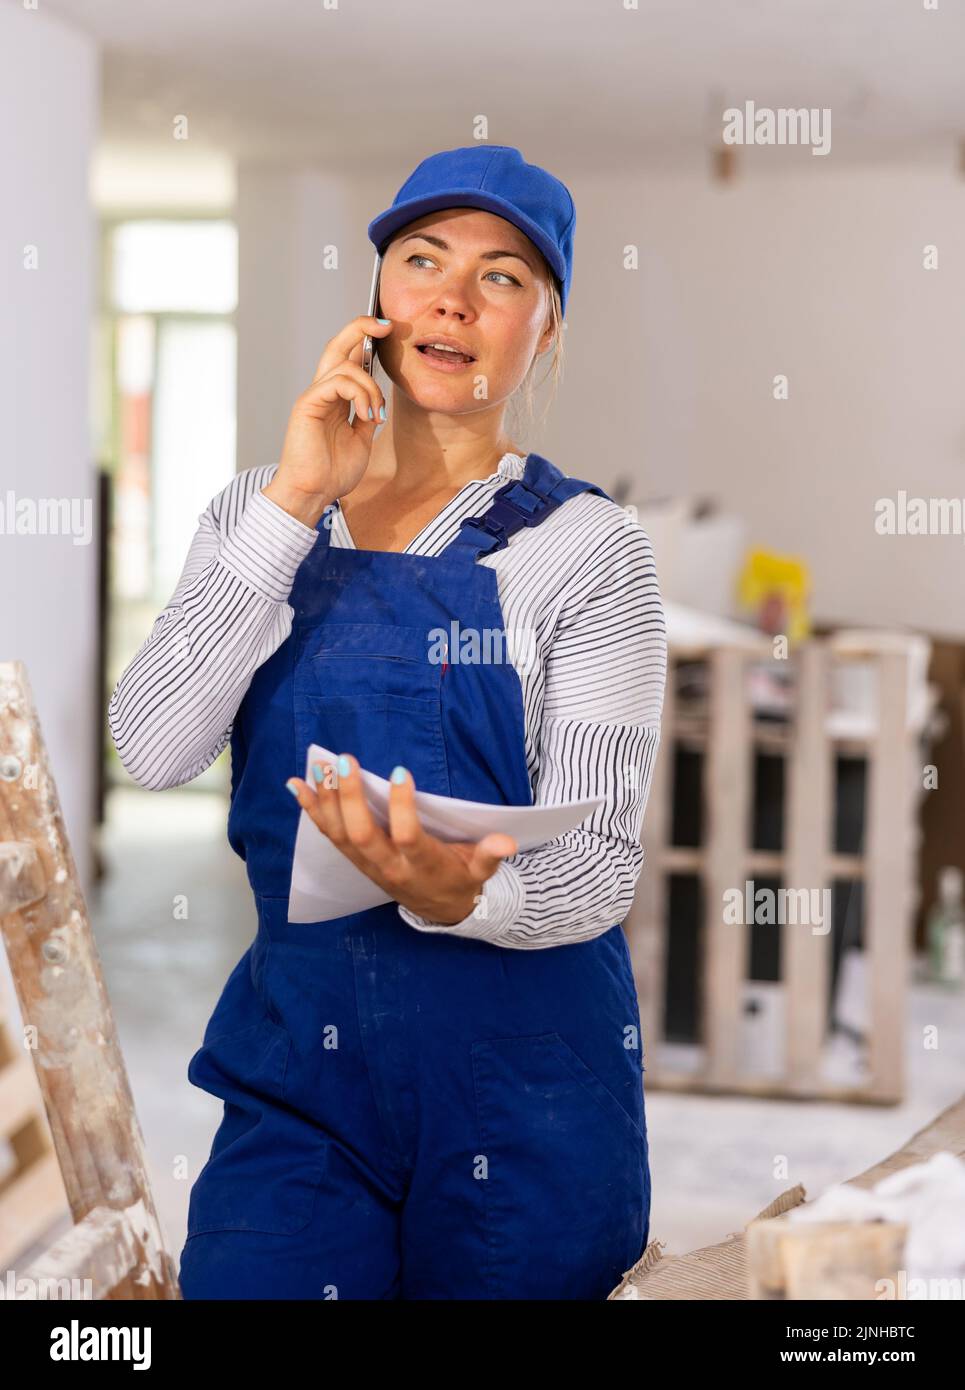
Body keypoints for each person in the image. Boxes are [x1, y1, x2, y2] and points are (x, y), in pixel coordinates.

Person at [108, 144, 667, 1300]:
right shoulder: (257, 510)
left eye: (502, 276)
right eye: (422, 259)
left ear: (543, 330)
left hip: (524, 1090)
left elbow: (601, 865)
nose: (453, 296)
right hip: (299, 1067)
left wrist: (460, 888)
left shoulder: (587, 551)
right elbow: (152, 748)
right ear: (379, 302)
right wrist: (296, 498)